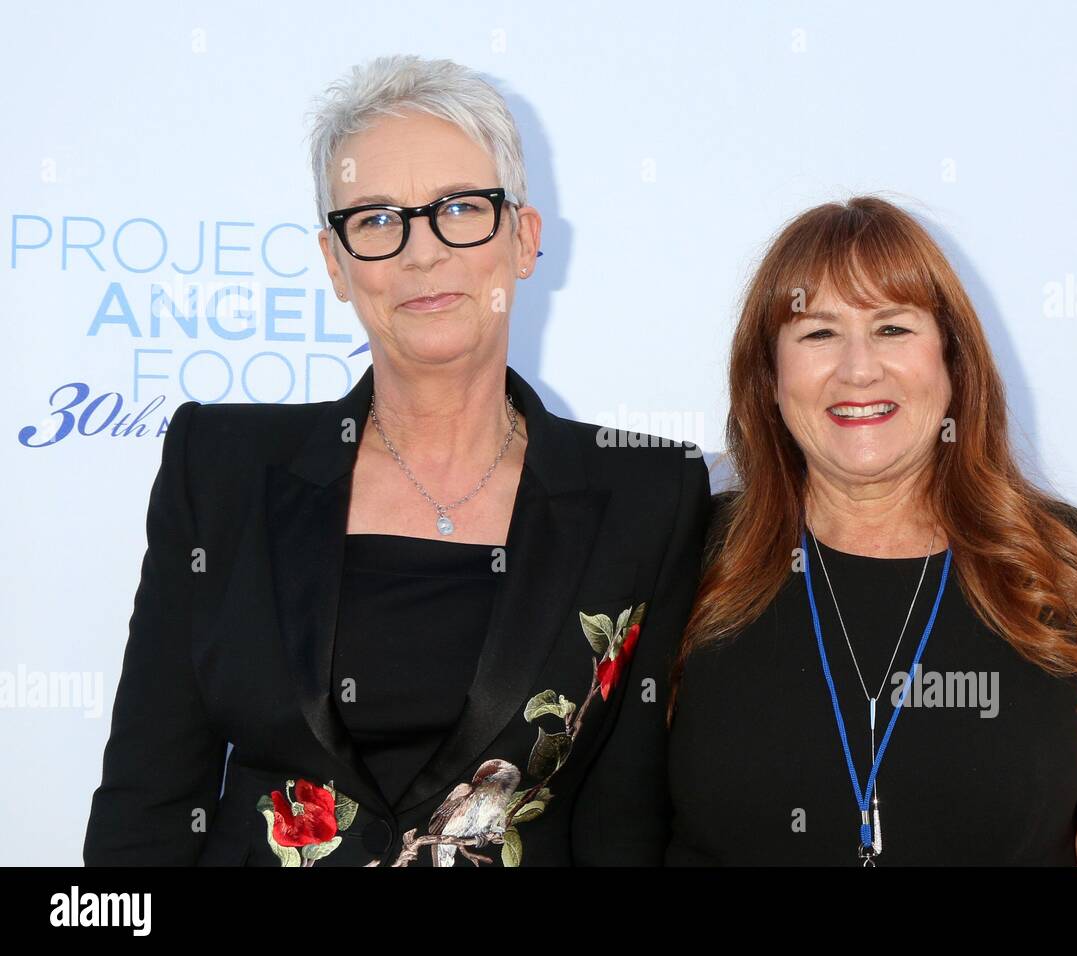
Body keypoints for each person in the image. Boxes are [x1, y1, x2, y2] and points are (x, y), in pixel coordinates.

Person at [83, 54, 709, 867]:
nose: (421, 252)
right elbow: (149, 798)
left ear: (522, 239)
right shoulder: (223, 468)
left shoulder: (646, 493)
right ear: (336, 263)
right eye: (377, 219)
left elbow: (623, 820)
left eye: (459, 208)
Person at [665, 196, 1077, 866]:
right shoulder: (686, 554)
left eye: (893, 329)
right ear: (769, 378)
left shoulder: (1062, 559)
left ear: (952, 362)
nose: (858, 369)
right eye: (818, 334)